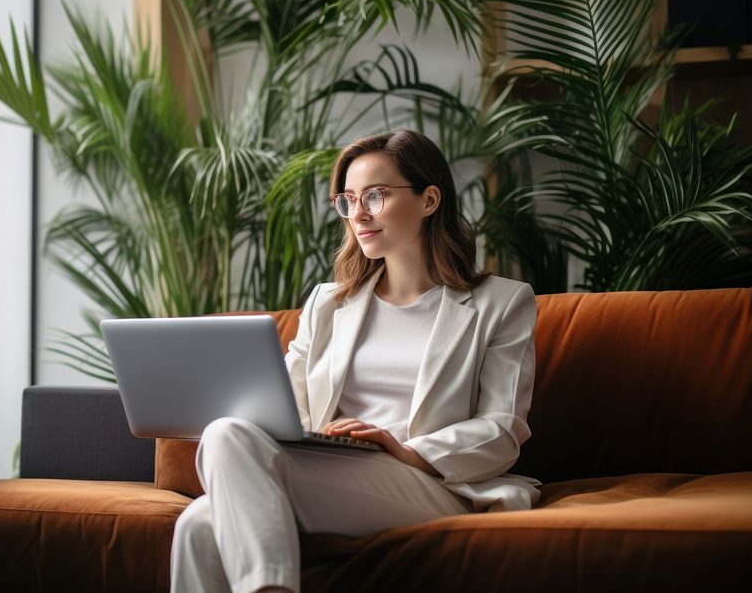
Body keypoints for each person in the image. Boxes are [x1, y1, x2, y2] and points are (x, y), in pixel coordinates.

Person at [170, 130, 540, 593]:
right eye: (347, 200)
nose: (358, 214)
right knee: (198, 525)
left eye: (376, 195)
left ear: (429, 199)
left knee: (221, 451)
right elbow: (286, 407)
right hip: (330, 470)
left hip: (427, 482)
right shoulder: (328, 304)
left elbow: (502, 429)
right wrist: (306, 438)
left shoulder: (501, 303)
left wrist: (407, 450)